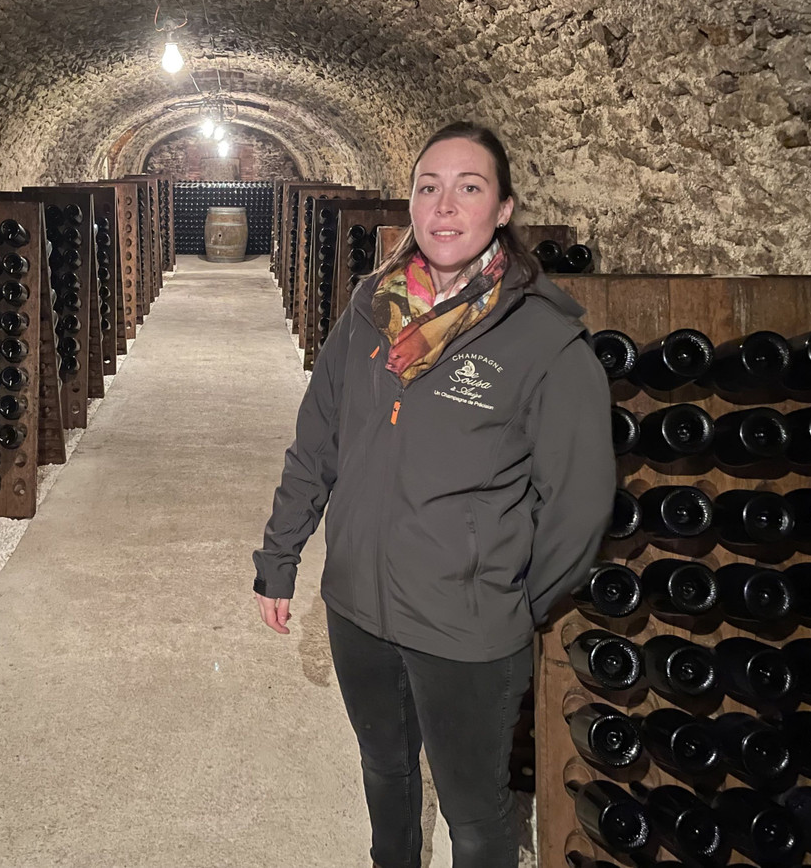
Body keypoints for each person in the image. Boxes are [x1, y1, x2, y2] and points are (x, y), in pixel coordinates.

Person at [251, 121, 616, 868]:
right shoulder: (370, 309)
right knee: (385, 772)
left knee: (475, 813)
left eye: (469, 188)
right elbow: (319, 436)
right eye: (429, 187)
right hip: (356, 605)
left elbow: (578, 507)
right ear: (411, 202)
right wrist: (280, 554)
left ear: (504, 209)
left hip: (465, 628)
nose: (445, 207)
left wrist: (501, 594)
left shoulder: (544, 341)